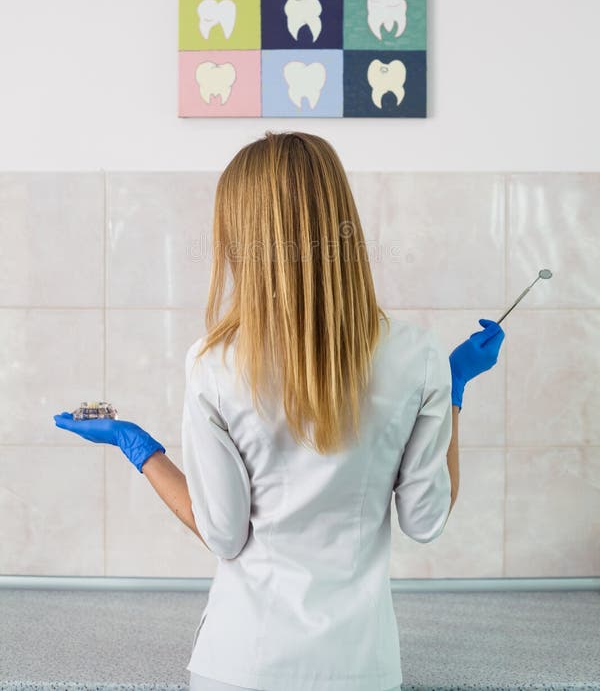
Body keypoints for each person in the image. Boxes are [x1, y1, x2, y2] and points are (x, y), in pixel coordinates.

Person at [54, 130, 505, 691]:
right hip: (362, 668)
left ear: (239, 236)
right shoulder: (419, 357)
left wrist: (137, 446)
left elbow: (223, 534)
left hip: (242, 664)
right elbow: (425, 520)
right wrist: (453, 390)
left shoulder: (214, 364)